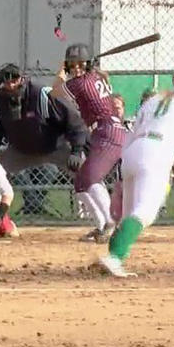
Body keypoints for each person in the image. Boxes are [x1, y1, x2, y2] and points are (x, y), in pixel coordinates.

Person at [98, 61, 174, 277]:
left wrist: (121, 173)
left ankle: (113, 258)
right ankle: (113, 258)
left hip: (132, 151)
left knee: (129, 215)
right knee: (145, 212)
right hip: (158, 152)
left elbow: (131, 134)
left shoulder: (154, 99)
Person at [0, 63, 89, 217]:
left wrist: (77, 150)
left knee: (88, 173)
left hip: (55, 146)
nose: (10, 85)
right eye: (6, 81)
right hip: (19, 150)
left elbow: (74, 121)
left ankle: (101, 219)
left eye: (14, 80)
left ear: (22, 79)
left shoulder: (42, 94)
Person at [52, 43, 127, 243]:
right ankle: (102, 226)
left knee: (90, 178)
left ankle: (110, 225)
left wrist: (61, 68)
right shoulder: (95, 77)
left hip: (108, 131)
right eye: (72, 65)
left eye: (80, 64)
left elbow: (55, 91)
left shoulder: (80, 83)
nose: (76, 68)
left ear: (87, 65)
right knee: (81, 183)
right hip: (104, 132)